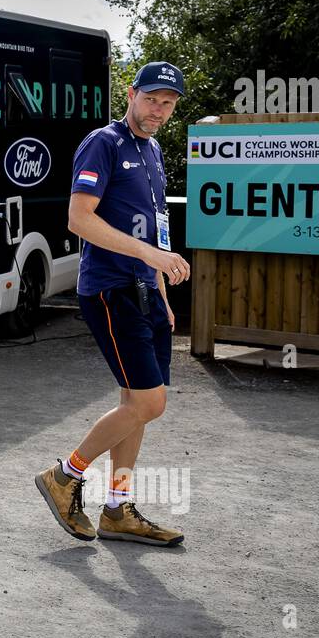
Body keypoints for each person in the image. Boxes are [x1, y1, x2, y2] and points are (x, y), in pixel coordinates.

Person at [35, 62, 190, 547]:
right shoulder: (103, 142)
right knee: (150, 401)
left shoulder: (154, 151)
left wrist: (161, 291)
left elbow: (157, 224)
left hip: (145, 291)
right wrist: (149, 256)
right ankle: (64, 475)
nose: (158, 110)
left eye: (168, 103)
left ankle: (118, 509)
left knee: (135, 404)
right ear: (132, 93)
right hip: (110, 289)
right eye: (152, 99)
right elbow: (79, 219)